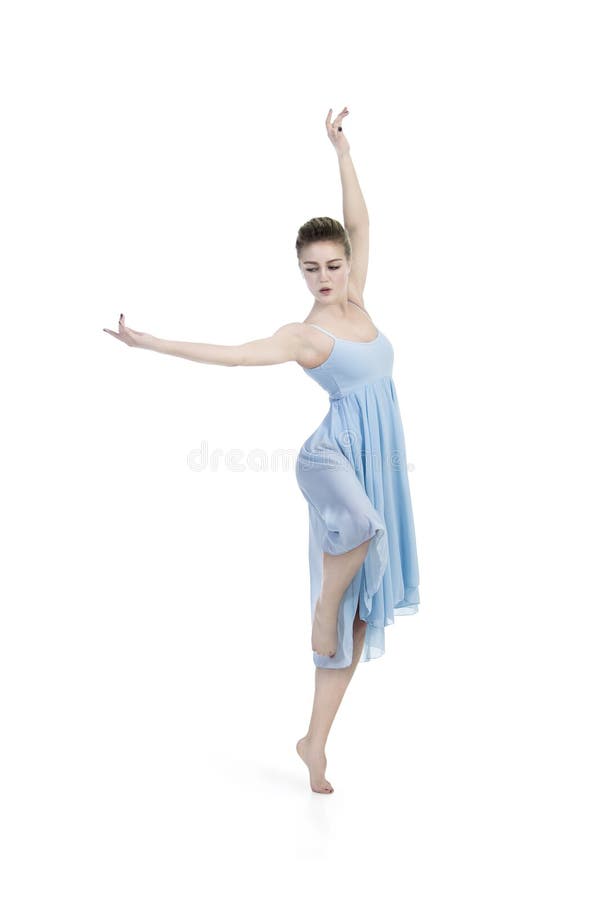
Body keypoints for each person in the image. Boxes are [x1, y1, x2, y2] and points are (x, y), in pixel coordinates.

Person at [104, 106, 420, 795]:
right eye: (311, 269)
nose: (324, 277)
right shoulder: (304, 334)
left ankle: (313, 743)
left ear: (345, 262)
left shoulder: (360, 301)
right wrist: (150, 343)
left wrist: (342, 152)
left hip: (374, 461)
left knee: (361, 616)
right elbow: (237, 356)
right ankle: (322, 606)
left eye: (332, 264)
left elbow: (362, 222)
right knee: (364, 532)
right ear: (300, 273)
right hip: (329, 459)